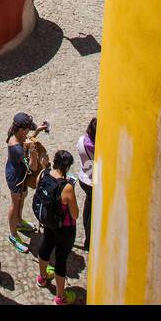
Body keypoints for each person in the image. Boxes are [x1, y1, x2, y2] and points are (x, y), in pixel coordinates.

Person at [34, 150, 79, 305]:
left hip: (48, 221)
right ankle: (60, 297)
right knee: (60, 259)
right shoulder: (66, 187)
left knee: (46, 245)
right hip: (64, 227)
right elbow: (75, 214)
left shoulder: (43, 174)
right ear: (66, 167)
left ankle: (42, 277)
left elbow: (38, 189)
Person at [5, 112, 37, 253]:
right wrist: (33, 152)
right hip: (16, 178)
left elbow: (28, 137)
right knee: (15, 203)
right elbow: (33, 167)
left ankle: (19, 221)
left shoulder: (18, 134)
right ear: (21, 129)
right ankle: (13, 235)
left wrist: (39, 129)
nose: (29, 132)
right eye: (27, 129)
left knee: (22, 199)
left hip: (20, 175)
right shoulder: (16, 148)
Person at [76, 118, 96, 251]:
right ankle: (89, 238)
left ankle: (86, 228)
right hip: (93, 182)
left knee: (88, 206)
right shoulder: (99, 149)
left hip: (83, 178)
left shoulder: (81, 141)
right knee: (93, 213)